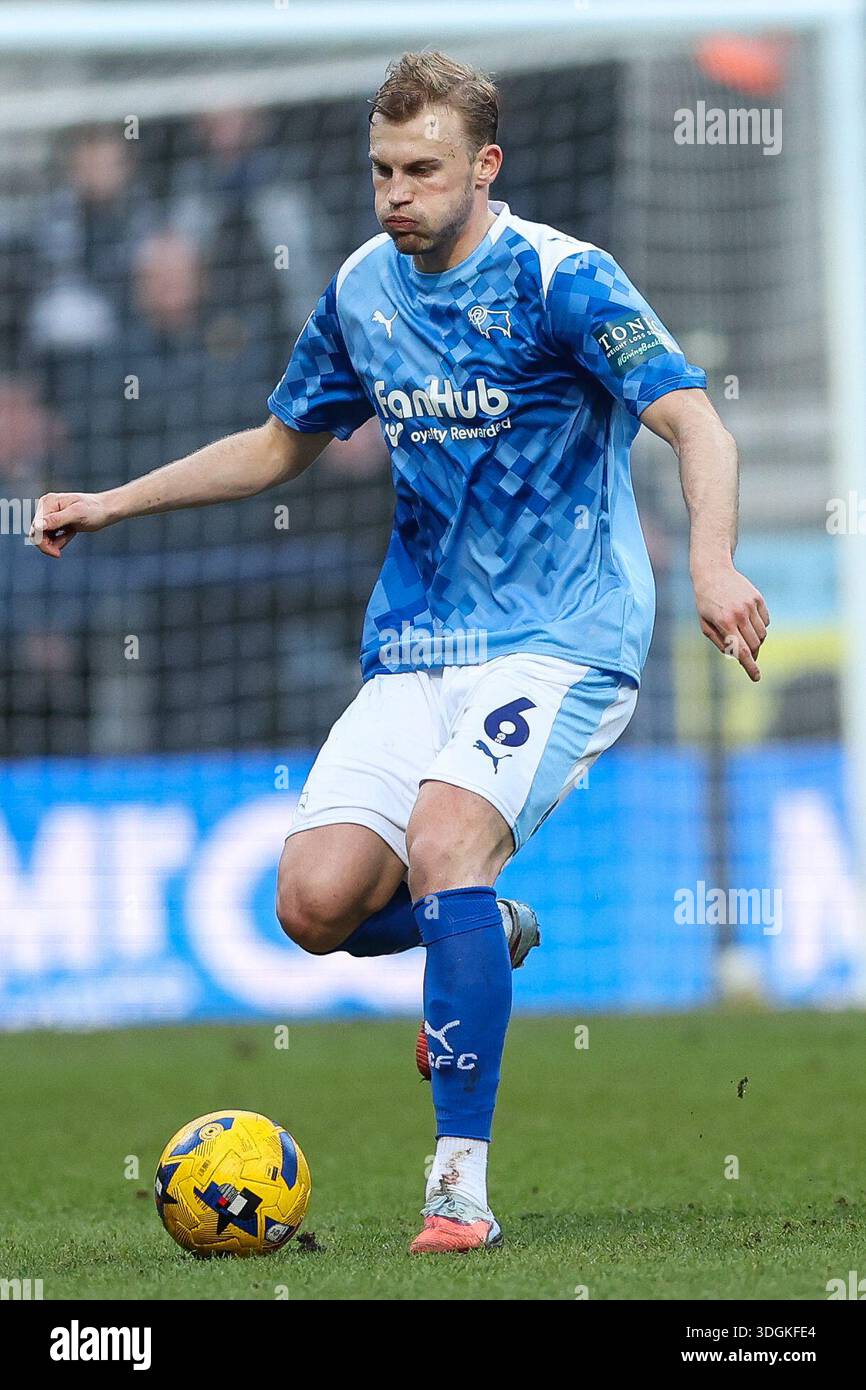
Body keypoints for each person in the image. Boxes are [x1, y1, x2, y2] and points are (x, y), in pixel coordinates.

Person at [31, 51, 769, 1254]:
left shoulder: (559, 280)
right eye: (380, 169)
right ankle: (487, 928)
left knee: (440, 844)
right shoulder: (363, 290)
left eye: (420, 170)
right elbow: (279, 446)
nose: (394, 193)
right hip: (417, 645)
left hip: (560, 640)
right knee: (312, 906)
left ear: (483, 166)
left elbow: (695, 421)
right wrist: (109, 501)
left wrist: (709, 562)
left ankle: (456, 1188)